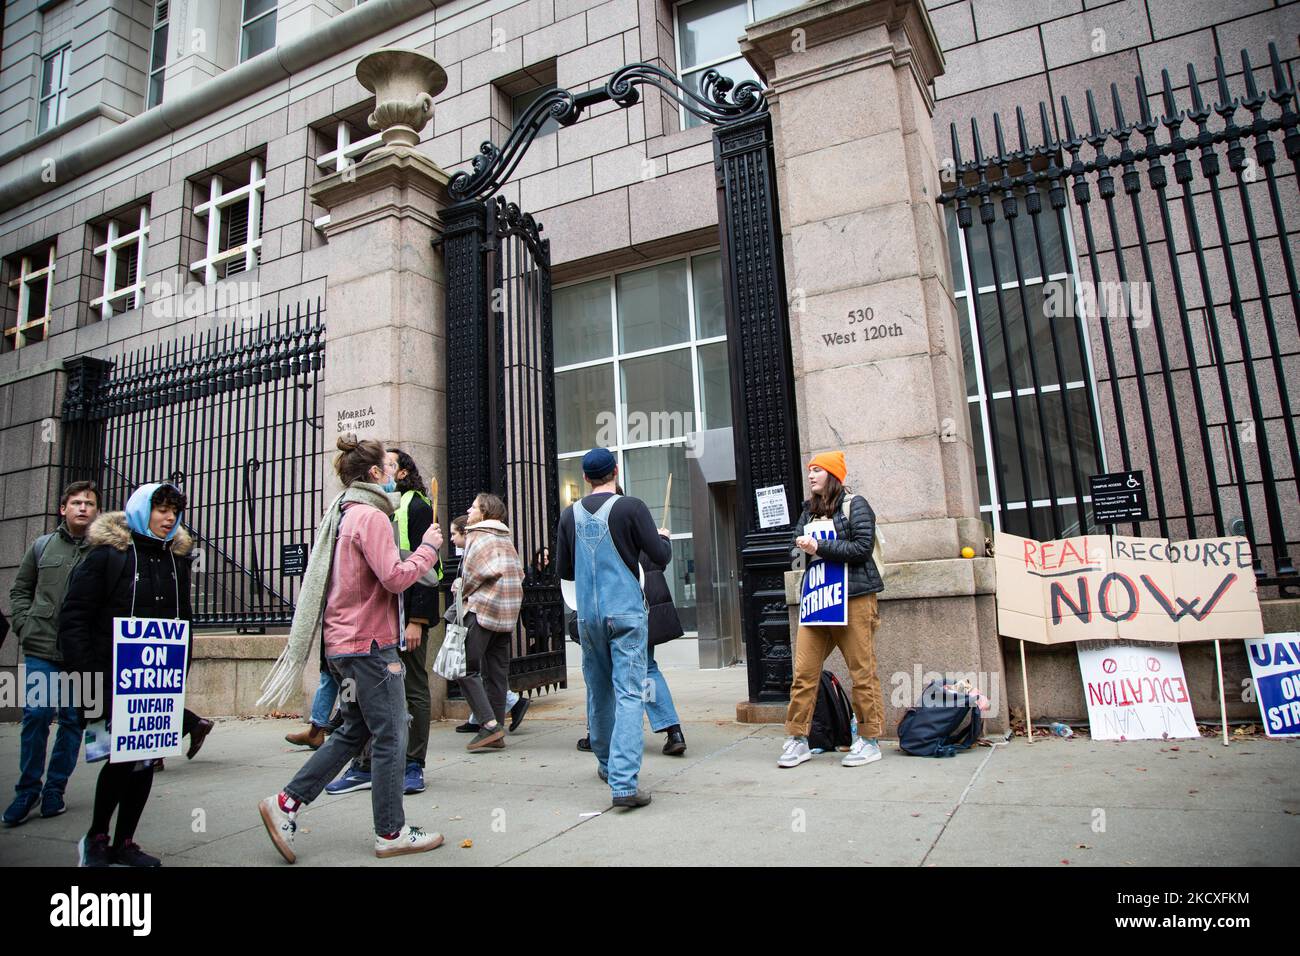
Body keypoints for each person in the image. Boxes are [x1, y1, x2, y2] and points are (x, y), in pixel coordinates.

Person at [258, 435, 445, 862]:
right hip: (369, 648)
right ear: (376, 474)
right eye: (390, 466)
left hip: (345, 646)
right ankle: (391, 831)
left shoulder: (345, 513)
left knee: (353, 731)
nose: (396, 474)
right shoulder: (372, 517)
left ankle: (287, 802)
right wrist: (428, 550)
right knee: (393, 733)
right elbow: (395, 578)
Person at [59, 482, 195, 866]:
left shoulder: (176, 559)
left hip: (157, 681)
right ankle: (96, 837)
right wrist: (87, 677)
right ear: (141, 510)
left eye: (173, 511)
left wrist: (178, 669)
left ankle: (125, 842)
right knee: (119, 761)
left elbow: (183, 617)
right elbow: (75, 617)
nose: (168, 518)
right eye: (160, 509)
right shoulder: (109, 556)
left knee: (145, 759)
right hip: (110, 675)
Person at [322, 448, 445, 796]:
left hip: (404, 614)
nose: (385, 470)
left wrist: (418, 620)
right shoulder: (369, 510)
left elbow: (427, 568)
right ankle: (364, 765)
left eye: (391, 464)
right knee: (362, 700)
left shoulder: (417, 506)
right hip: (373, 624)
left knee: (414, 688)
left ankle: (412, 764)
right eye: (382, 464)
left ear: (402, 472)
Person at [555, 448, 671, 809]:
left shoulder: (568, 515)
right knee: (629, 694)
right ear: (616, 472)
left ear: (585, 477)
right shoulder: (631, 507)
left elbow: (565, 571)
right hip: (625, 615)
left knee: (598, 692)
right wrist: (662, 538)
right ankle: (623, 783)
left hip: (589, 618)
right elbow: (660, 556)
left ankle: (606, 765)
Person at [779, 450, 885, 769]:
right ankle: (798, 739)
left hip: (854, 599)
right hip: (818, 599)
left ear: (833, 475)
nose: (810, 476)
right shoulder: (807, 511)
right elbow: (793, 548)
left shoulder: (856, 506)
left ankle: (869, 739)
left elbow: (862, 549)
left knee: (862, 671)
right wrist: (800, 550)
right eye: (809, 470)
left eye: (817, 471)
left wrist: (819, 547)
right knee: (804, 673)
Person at [4, 481, 100, 826]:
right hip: (42, 646)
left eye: (89, 503)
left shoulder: (103, 551)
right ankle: (27, 790)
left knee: (74, 721)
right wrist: (24, 626)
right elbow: (20, 590)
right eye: (76, 502)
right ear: (63, 509)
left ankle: (54, 789)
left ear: (96, 511)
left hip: (82, 653)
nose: (82, 508)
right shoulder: (42, 546)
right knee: (37, 714)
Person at [455, 493, 525, 751]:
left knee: (464, 668)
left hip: (482, 609)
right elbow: (518, 572)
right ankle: (496, 731)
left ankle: (488, 725)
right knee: (496, 674)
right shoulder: (504, 536)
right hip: (505, 613)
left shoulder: (478, 533)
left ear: (484, 511)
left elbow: (477, 571)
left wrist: (461, 590)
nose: (469, 510)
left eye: (473, 506)